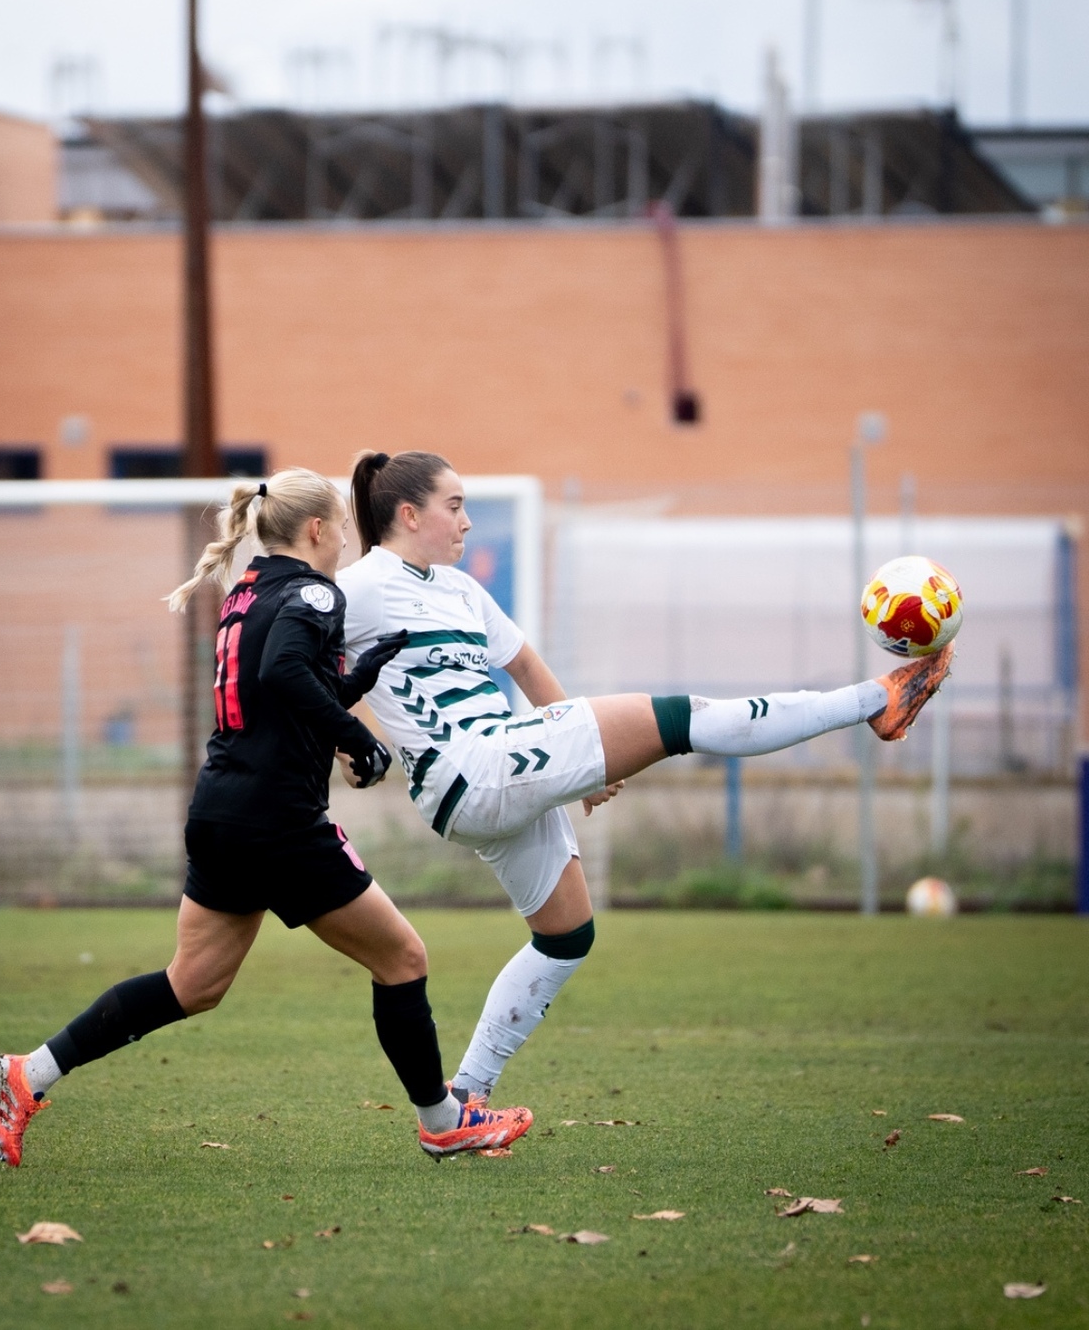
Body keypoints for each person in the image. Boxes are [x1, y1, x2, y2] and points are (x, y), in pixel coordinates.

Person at [339, 450, 953, 1102]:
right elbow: (296, 655)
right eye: (454, 506)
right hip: (472, 768)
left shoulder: (461, 590)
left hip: (496, 771)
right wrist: (347, 742)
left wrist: (577, 763)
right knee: (686, 718)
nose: (465, 522)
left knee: (566, 936)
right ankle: (874, 700)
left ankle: (468, 1095)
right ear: (409, 514)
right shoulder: (362, 587)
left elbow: (524, 666)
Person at [0, 468, 533, 1167]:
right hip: (279, 821)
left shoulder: (249, 590)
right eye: (340, 524)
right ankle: (442, 1120)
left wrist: (362, 678)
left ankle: (28, 1074)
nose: (345, 539)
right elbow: (283, 675)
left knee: (193, 984)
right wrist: (357, 735)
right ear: (316, 530)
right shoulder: (312, 590)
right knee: (403, 959)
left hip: (221, 812)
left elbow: (283, 681)